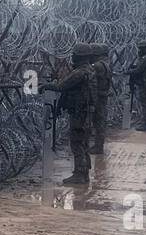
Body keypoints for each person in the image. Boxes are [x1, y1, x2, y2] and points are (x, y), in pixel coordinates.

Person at [42, 44, 95, 185]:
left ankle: (79, 174)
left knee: (77, 142)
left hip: (80, 113)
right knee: (83, 143)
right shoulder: (89, 70)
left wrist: (45, 86)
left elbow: (61, 86)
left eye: (74, 54)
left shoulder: (80, 72)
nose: (72, 56)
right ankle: (84, 174)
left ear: (80, 56)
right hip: (85, 112)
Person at [89, 44, 113, 155]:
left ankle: (98, 147)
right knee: (101, 121)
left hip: (97, 96)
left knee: (98, 122)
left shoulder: (97, 66)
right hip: (103, 95)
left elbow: (90, 81)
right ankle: (99, 146)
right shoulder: (106, 65)